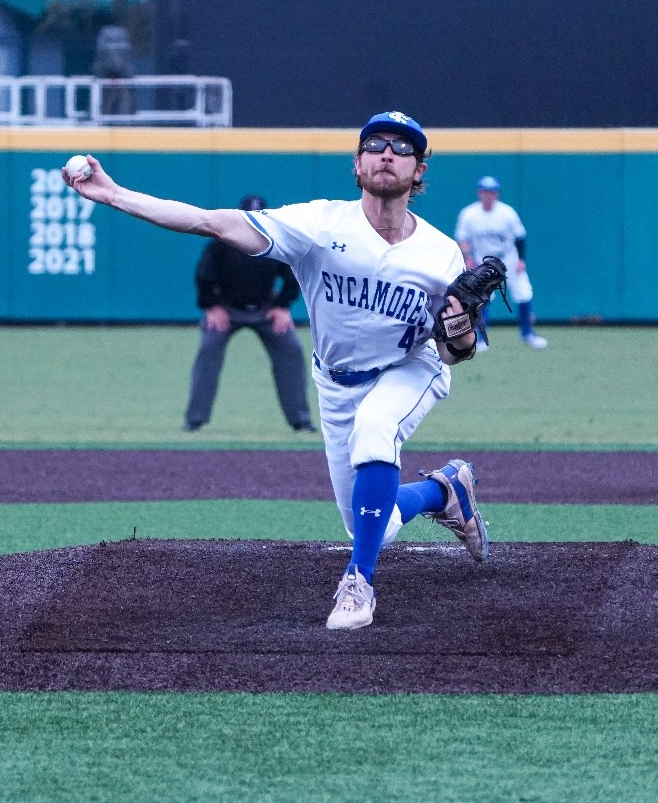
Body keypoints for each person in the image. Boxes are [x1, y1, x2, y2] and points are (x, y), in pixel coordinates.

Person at [64, 110, 490, 631]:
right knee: (371, 523)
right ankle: (447, 490)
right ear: (356, 163)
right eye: (375, 144)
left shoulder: (441, 254)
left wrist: (461, 330)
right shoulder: (318, 225)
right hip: (336, 382)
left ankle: (358, 585)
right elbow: (209, 221)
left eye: (402, 148)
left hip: (408, 368)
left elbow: (455, 354)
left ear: (419, 171)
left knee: (377, 431)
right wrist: (112, 194)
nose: (387, 153)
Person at [184, 194, 315, 433]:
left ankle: (301, 420)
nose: (254, 222)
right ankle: (194, 420)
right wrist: (212, 307)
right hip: (226, 309)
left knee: (292, 350)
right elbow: (204, 276)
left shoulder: (276, 243)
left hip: (266, 309)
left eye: (259, 217)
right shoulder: (221, 243)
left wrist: (282, 307)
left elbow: (293, 278)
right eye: (249, 217)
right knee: (208, 349)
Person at [455, 175, 547, 349]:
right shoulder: (469, 214)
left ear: (496, 194)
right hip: (484, 260)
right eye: (485, 191)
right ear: (479, 193)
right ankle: (481, 339)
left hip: (508, 258)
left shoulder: (507, 212)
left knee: (523, 292)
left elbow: (520, 237)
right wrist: (467, 257)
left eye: (492, 192)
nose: (488, 195)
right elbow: (463, 238)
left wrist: (521, 260)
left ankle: (528, 334)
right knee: (481, 297)